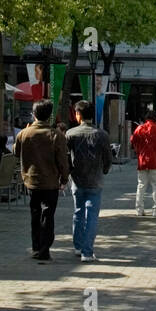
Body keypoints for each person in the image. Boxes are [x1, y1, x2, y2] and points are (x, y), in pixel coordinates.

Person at [15, 101, 69, 262]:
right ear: (49, 115)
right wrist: (64, 178)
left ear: (34, 114)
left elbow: (16, 153)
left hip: (31, 181)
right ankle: (45, 249)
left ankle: (36, 246)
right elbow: (62, 161)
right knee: (48, 215)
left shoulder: (24, 133)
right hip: (50, 182)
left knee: (35, 213)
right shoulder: (56, 135)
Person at [66, 100, 111, 262]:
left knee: (78, 213)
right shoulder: (102, 134)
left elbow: (66, 158)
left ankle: (78, 246)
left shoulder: (71, 134)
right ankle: (87, 251)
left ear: (78, 114)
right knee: (91, 215)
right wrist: (104, 170)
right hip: (95, 180)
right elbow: (108, 158)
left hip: (77, 180)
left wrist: (67, 174)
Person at [131, 109, 156, 217]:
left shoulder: (140, 128)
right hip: (155, 160)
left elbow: (133, 141)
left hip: (142, 160)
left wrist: (139, 151)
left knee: (141, 185)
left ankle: (139, 209)